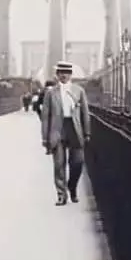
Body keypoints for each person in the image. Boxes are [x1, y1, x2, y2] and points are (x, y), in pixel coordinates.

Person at [41, 62, 90, 206]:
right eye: (61, 72)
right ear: (57, 75)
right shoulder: (50, 93)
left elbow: (85, 113)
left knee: (78, 162)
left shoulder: (79, 91)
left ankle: (72, 187)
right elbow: (45, 116)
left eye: (67, 72)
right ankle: (61, 195)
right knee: (59, 164)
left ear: (71, 74)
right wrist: (45, 137)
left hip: (74, 129)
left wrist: (87, 132)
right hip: (58, 130)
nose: (64, 75)